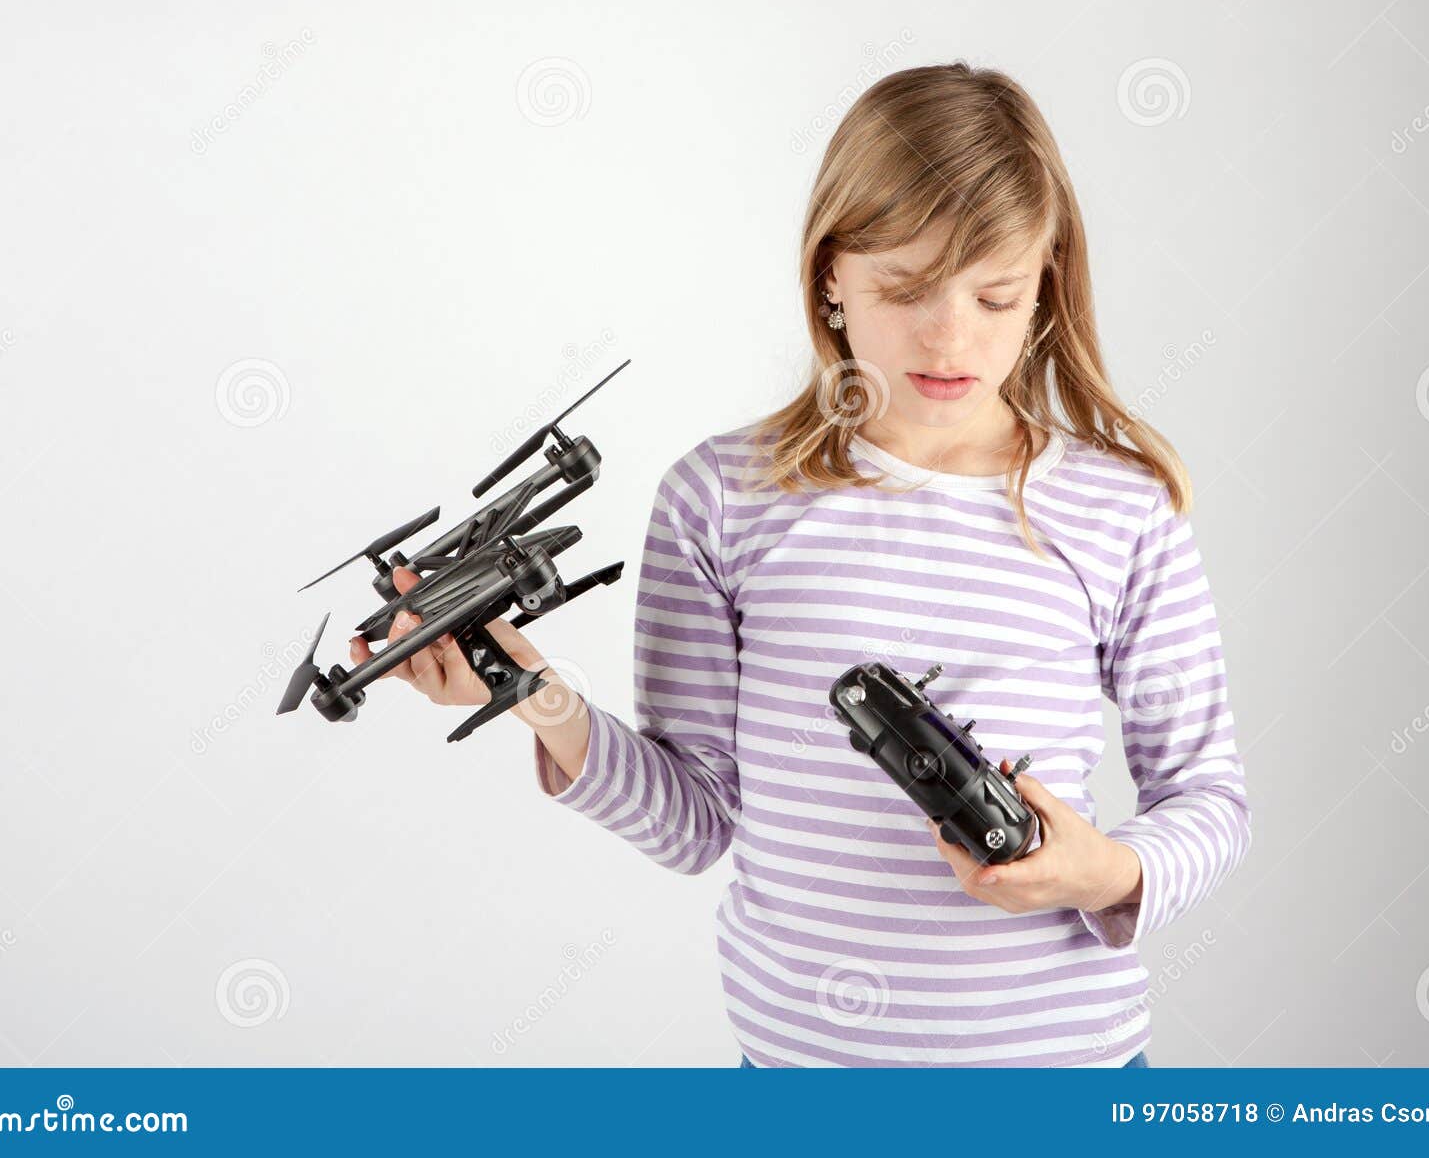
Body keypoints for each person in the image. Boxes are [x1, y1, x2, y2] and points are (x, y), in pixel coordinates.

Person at [349, 61, 1251, 1067]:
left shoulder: (1118, 509)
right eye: (903, 289)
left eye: (995, 296)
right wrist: (527, 691)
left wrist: (1106, 870)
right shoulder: (720, 500)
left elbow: (1207, 795)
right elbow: (693, 820)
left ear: (1045, 281)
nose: (950, 337)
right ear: (829, 272)